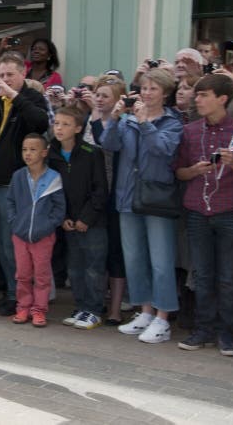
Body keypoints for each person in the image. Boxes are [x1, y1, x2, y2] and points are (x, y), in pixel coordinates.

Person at [101, 67, 183, 344]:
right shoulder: (128, 120)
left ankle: (163, 318)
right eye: (144, 88)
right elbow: (108, 144)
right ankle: (145, 311)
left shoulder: (173, 122)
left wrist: (146, 123)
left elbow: (164, 149)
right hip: (127, 197)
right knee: (134, 258)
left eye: (153, 89)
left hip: (157, 198)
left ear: (165, 93)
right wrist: (114, 119)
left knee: (161, 261)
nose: (147, 94)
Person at [175, 74, 233, 356]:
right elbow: (179, 171)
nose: (198, 100)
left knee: (230, 276)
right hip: (197, 211)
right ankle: (203, 329)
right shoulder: (190, 131)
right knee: (202, 275)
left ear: (222, 99)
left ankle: (226, 333)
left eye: (204, 95)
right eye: (197, 95)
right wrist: (193, 171)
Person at [0, 50, 50, 316]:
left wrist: (15, 96)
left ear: (23, 74)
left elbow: (40, 123)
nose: (4, 80)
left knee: (12, 243)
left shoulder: (31, 98)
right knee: (0, 242)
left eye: (10, 75)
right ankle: (9, 288)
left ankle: (18, 297)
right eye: (1, 75)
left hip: (16, 183)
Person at [49, 107, 109, 329]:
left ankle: (94, 309)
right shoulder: (52, 153)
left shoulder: (91, 152)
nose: (59, 128)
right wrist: (63, 216)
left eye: (65, 124)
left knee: (94, 266)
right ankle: (82, 306)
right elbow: (53, 189)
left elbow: (100, 189)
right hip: (68, 221)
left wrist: (87, 217)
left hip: (91, 222)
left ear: (77, 128)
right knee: (75, 267)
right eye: (56, 123)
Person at [7, 134, 65, 327]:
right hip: (20, 235)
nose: (28, 154)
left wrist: (47, 226)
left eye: (33, 149)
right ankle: (23, 307)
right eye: (25, 149)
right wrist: (15, 223)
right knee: (22, 274)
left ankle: (39, 310)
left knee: (41, 275)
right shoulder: (17, 176)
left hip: (43, 236)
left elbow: (59, 209)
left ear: (44, 152)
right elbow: (11, 202)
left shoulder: (54, 179)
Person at [88, 75, 128, 325]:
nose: (100, 99)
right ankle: (94, 302)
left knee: (115, 254)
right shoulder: (88, 120)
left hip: (114, 195)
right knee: (95, 253)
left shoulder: (121, 124)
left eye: (105, 96)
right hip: (90, 194)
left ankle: (115, 308)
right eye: (97, 94)